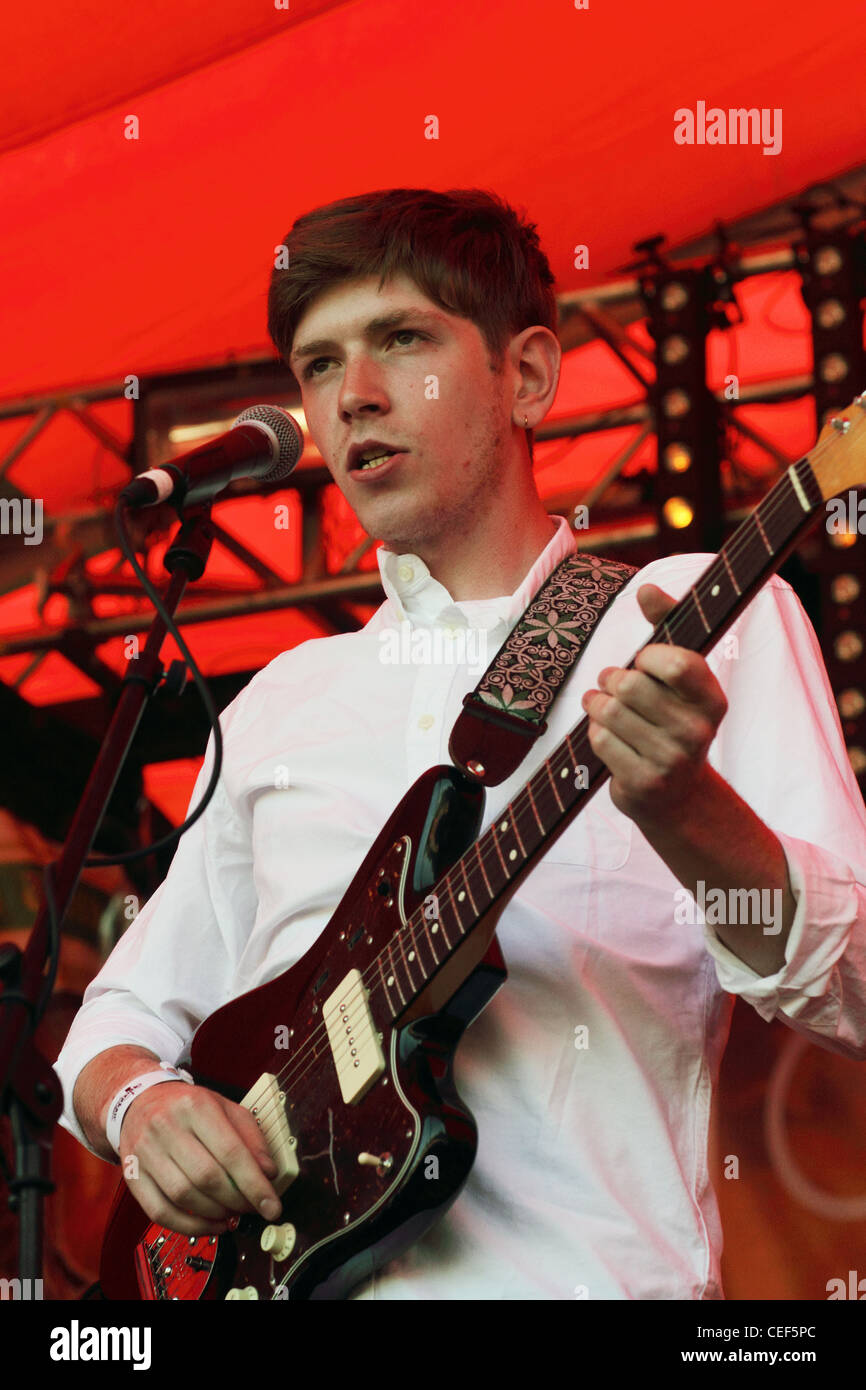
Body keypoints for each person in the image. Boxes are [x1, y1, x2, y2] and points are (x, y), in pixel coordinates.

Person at [53, 188, 866, 1300]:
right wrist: (142, 1105)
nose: (355, 396)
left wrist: (685, 809)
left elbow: (854, 991)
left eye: (401, 340)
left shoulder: (680, 617)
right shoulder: (280, 703)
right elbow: (121, 1018)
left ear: (527, 376)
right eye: (318, 363)